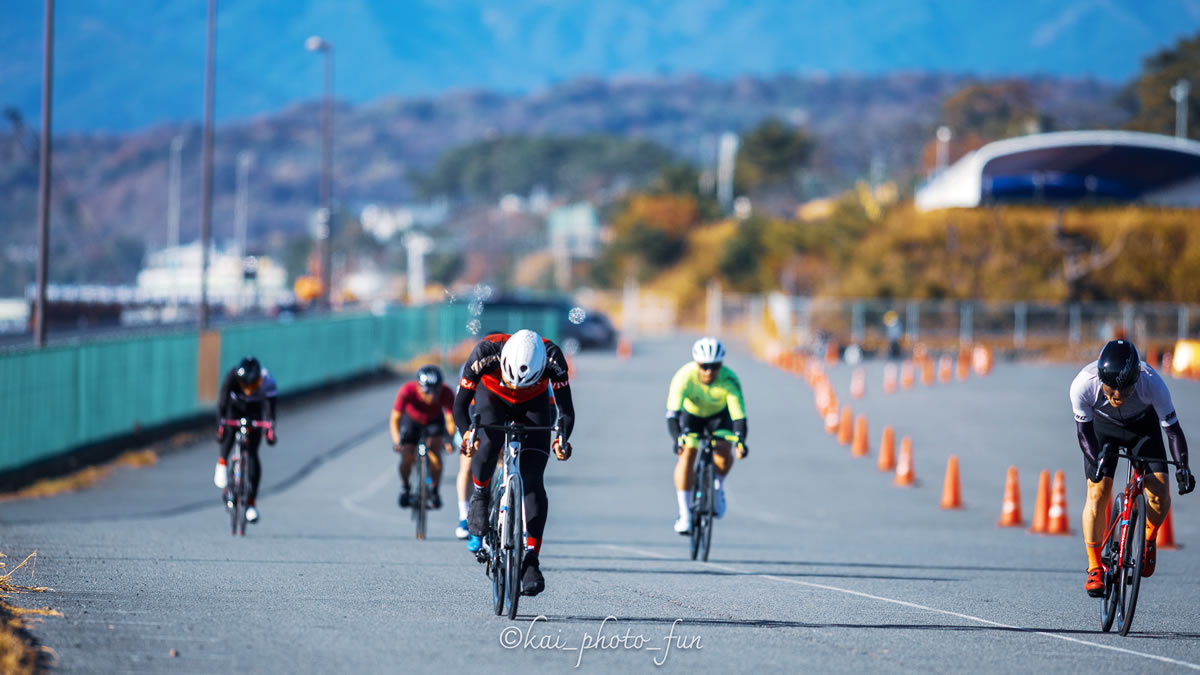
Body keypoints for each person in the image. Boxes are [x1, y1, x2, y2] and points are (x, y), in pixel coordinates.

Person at [454, 329, 574, 597]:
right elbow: (460, 406)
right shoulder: (485, 353)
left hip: (535, 404)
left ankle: (532, 558)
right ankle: (481, 495)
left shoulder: (553, 358)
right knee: (485, 444)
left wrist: (562, 440)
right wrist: (466, 433)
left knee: (533, 481)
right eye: (511, 379)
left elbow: (566, 411)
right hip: (492, 399)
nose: (515, 386)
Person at [1070, 339, 1195, 597]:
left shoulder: (1152, 383)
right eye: (1111, 389)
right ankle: (1095, 567)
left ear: (1136, 381)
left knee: (1160, 493)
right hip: (1103, 431)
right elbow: (1083, 435)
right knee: (1097, 492)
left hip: (1142, 429)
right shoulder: (1083, 383)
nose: (1117, 396)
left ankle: (1148, 539)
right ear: (1101, 378)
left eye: (1124, 391)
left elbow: (1172, 431)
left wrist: (1182, 466)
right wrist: (1096, 461)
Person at [665, 337, 748, 535]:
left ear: (721, 365)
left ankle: (718, 487)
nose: (709, 371)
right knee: (686, 456)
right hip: (691, 416)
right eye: (704, 366)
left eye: (715, 366)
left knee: (723, 450)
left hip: (719, 417)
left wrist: (740, 441)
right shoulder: (684, 377)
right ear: (696, 363)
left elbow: (739, 417)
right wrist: (677, 438)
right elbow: (672, 414)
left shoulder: (729, 380)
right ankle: (684, 513)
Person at [214, 356, 278, 523]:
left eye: (253, 386)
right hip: (234, 409)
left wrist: (270, 429)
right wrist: (220, 424)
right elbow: (222, 402)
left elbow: (270, 409)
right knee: (228, 431)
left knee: (252, 453)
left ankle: (251, 503)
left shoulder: (268, 381)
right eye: (245, 386)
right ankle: (222, 463)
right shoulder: (232, 377)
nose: (249, 390)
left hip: (254, 411)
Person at [390, 364, 456, 511]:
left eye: (435, 391)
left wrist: (449, 439)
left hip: (434, 421)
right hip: (412, 421)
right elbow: (395, 419)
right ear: (419, 387)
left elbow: (451, 420)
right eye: (428, 391)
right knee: (406, 455)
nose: (432, 396)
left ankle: (434, 489)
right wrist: (397, 441)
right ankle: (405, 487)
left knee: (436, 456)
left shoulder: (446, 393)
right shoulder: (407, 391)